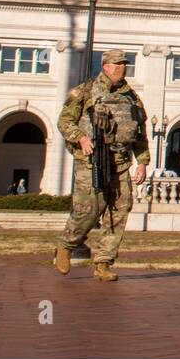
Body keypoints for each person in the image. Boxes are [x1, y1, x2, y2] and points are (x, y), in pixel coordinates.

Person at [53, 48, 149, 281]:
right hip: (92, 159)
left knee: (120, 210)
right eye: (117, 64)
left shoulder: (131, 96)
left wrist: (143, 161)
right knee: (89, 209)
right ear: (105, 66)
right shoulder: (85, 91)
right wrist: (81, 137)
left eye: (124, 64)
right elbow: (64, 121)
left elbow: (140, 130)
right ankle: (67, 244)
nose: (121, 68)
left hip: (121, 161)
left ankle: (104, 262)